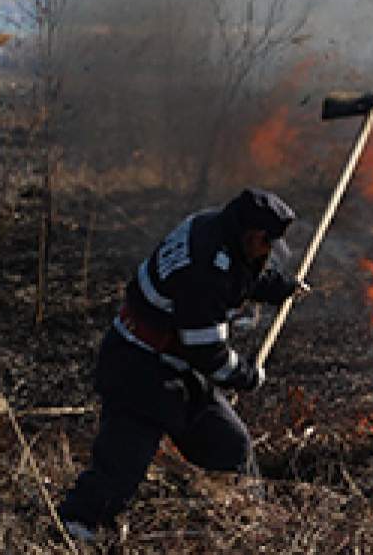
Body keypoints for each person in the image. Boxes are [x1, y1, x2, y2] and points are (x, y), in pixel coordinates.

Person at [58, 187, 304, 542]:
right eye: (268, 245)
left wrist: (280, 287)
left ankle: (247, 523)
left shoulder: (215, 227)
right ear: (252, 235)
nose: (268, 255)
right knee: (121, 467)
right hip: (139, 369)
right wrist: (248, 376)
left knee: (231, 447)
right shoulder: (205, 272)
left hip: (178, 369)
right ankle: (75, 527)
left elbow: (243, 273)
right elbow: (209, 354)